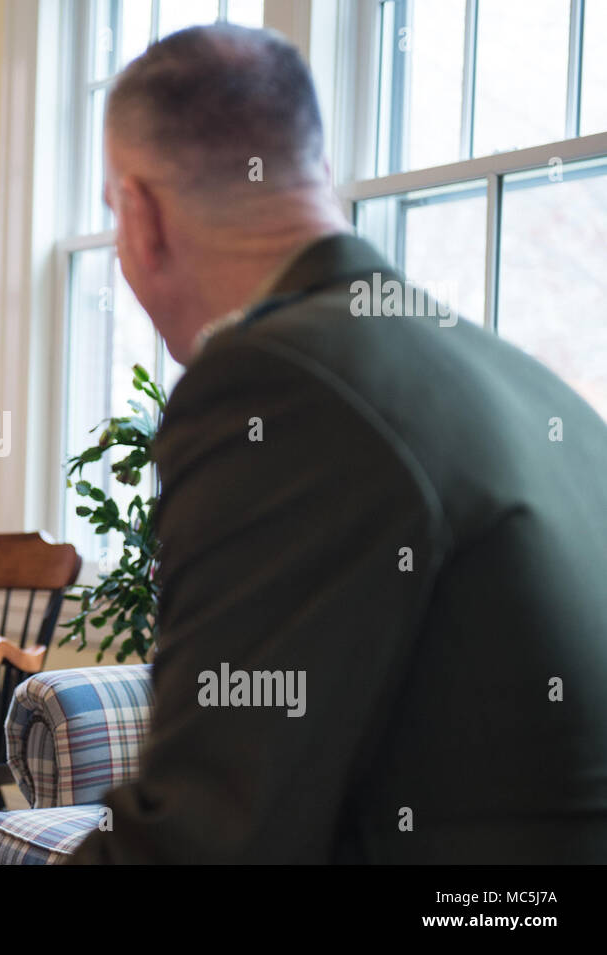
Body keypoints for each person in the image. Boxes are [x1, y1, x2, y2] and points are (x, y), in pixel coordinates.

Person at [70, 24, 607, 863]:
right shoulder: (536, 391)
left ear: (138, 219)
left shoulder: (274, 385)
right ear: (319, 176)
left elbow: (203, 842)